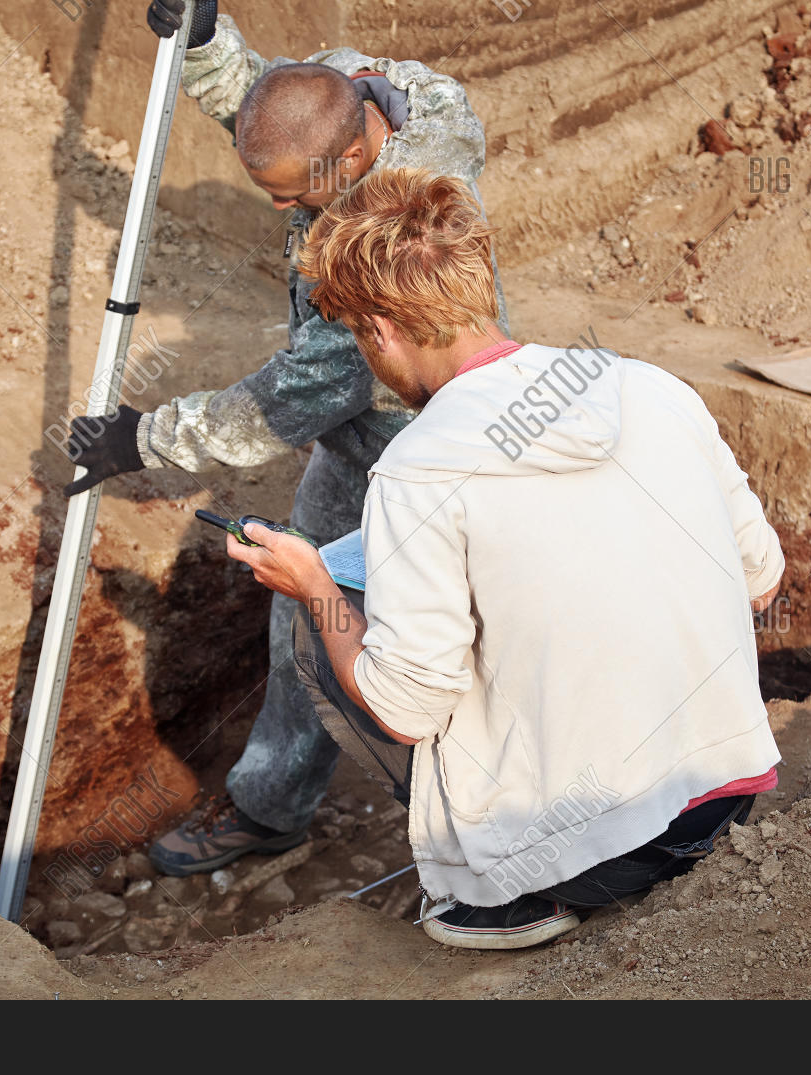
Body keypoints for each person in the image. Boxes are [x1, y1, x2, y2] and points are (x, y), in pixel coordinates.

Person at [222, 167, 787, 949]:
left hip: (608, 857)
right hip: (728, 798)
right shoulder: (653, 389)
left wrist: (313, 582)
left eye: (358, 337)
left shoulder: (418, 470)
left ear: (381, 329)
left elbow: (404, 710)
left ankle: (508, 887)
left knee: (327, 616)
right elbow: (761, 583)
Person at [65, 1, 507, 876]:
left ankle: (483, 824)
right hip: (357, 439)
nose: (283, 211)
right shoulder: (355, 94)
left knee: (447, 633)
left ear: (352, 161)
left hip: (433, 441)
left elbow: (293, 397)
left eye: (293, 197)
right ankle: (271, 807)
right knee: (301, 607)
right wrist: (207, 46)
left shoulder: (390, 238)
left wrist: (145, 439)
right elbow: (268, 104)